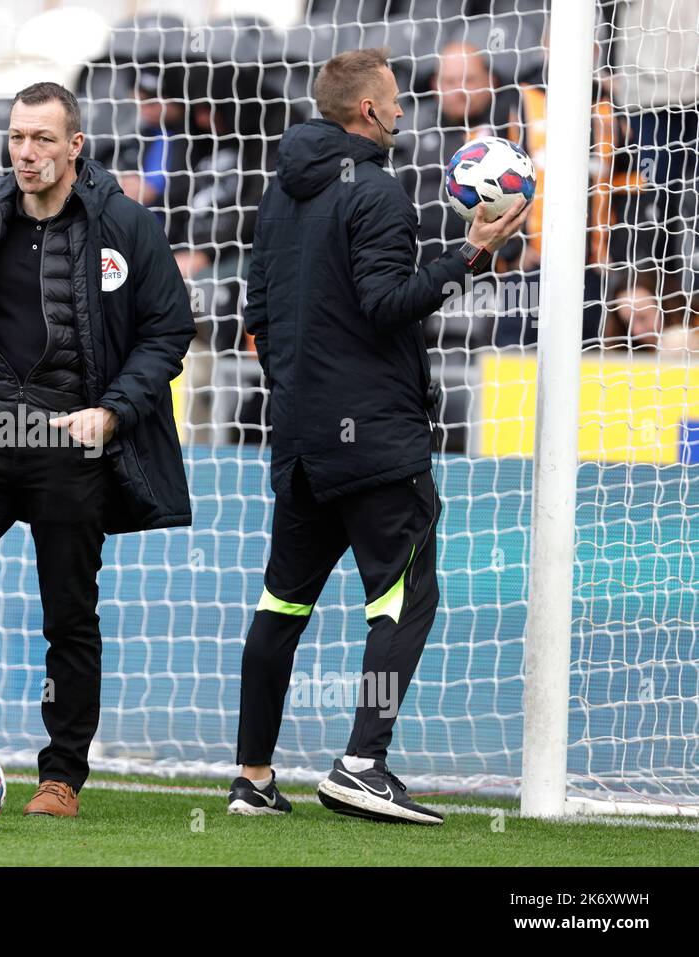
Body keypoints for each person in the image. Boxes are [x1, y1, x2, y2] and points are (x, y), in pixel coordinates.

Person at [229, 48, 526, 825]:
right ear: (365, 111)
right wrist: (471, 253)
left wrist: (303, 394)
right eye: (394, 100)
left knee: (281, 603)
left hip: (297, 438)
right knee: (404, 594)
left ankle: (252, 779)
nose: (402, 110)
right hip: (373, 441)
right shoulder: (381, 193)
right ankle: (363, 763)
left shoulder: (278, 195)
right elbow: (388, 303)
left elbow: (254, 317)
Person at [0, 81, 194, 818]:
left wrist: (113, 412)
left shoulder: (123, 223)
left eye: (43, 140)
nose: (27, 153)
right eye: (18, 138)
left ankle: (61, 777)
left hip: (70, 440)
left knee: (68, 616)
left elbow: (167, 330)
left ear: (74, 145)